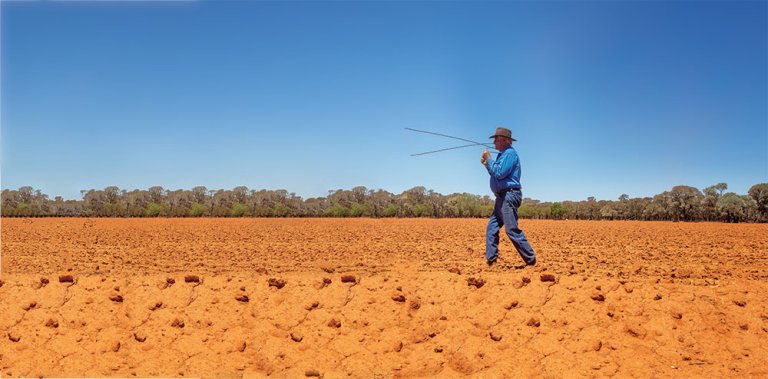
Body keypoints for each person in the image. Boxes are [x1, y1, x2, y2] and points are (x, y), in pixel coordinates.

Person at [481, 127, 537, 267]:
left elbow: (499, 172)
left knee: (511, 229)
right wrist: (487, 165)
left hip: (509, 195)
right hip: (501, 197)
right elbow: (495, 173)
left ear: (505, 140)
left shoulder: (510, 154)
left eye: (496, 139)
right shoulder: (503, 155)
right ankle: (491, 261)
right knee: (492, 228)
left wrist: (489, 159)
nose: (494, 142)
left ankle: (531, 260)